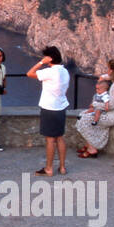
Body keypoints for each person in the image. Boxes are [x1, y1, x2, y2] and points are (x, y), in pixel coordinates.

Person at [77, 60, 114, 158]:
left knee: (85, 119)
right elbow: (109, 77)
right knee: (83, 115)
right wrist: (103, 77)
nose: (107, 71)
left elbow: (111, 105)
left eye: (108, 69)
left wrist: (94, 104)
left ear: (112, 71)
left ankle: (92, 149)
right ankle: (89, 144)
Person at [29, 46, 70, 176]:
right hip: (61, 107)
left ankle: (49, 168)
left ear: (49, 58)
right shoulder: (65, 72)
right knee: (60, 138)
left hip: (49, 108)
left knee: (50, 140)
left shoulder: (50, 72)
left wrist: (41, 62)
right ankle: (62, 167)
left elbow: (29, 73)